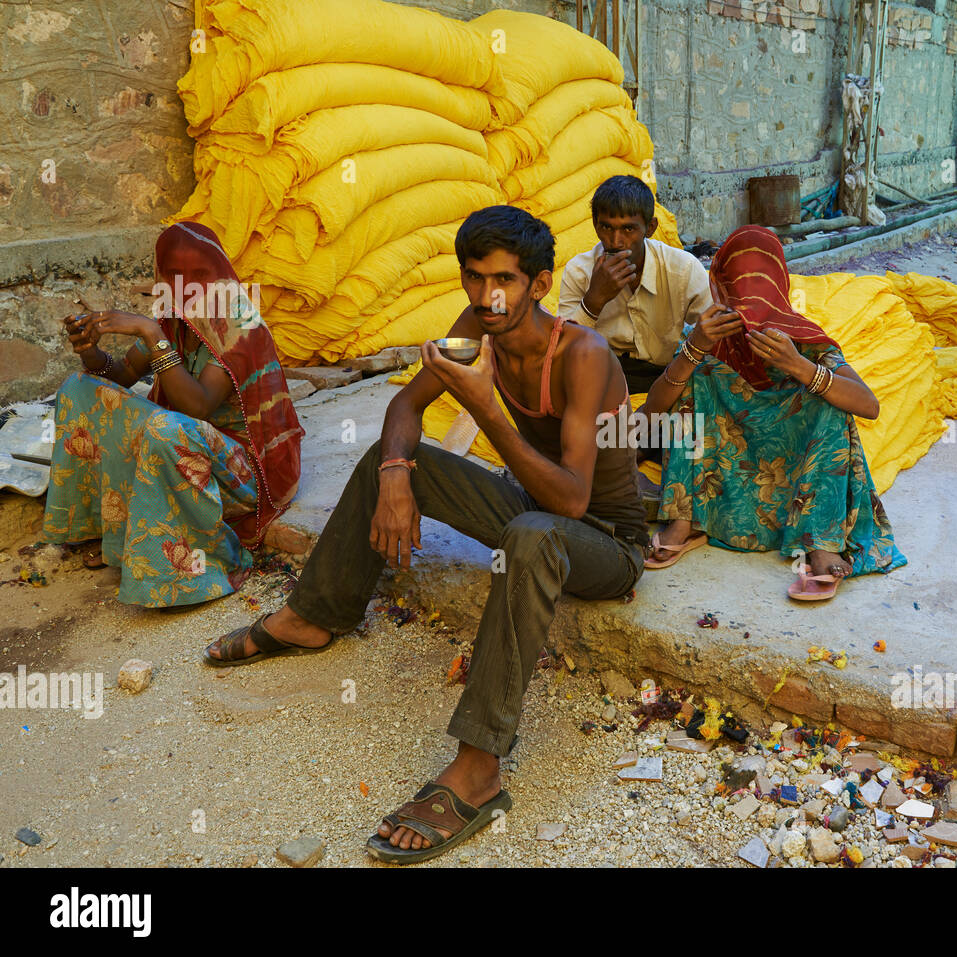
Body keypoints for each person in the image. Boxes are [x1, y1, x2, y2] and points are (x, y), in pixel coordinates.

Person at [202, 206, 648, 864]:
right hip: (532, 506)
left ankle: (478, 767)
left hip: (602, 540)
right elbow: (405, 406)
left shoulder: (584, 356)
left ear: (541, 284)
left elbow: (572, 499)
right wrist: (394, 476)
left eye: (504, 280)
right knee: (392, 456)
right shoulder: (476, 327)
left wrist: (485, 405)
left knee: (530, 531)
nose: (487, 297)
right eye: (474, 277)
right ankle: (314, 613)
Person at [41, 222, 303, 607]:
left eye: (200, 275)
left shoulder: (240, 327)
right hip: (185, 449)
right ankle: (114, 535)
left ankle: (194, 564)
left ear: (220, 274)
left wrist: (149, 333)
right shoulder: (173, 322)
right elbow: (121, 376)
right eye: (176, 276)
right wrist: (89, 350)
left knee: (165, 426)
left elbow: (196, 406)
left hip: (243, 472)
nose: (190, 286)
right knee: (79, 389)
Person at [640, 225, 906, 600]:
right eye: (740, 289)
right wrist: (695, 348)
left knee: (830, 401)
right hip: (727, 469)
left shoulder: (803, 338)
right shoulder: (709, 334)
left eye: (759, 287)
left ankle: (820, 545)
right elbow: (653, 411)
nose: (751, 302)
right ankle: (684, 520)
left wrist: (799, 366)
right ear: (723, 290)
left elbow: (869, 406)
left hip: (791, 467)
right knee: (697, 376)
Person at [557, 175, 712, 395]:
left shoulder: (682, 268)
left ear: (650, 228)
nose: (615, 241)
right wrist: (594, 301)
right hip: (601, 377)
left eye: (628, 229)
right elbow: (561, 351)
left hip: (666, 376)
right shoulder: (580, 271)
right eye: (606, 227)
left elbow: (713, 330)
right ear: (595, 225)